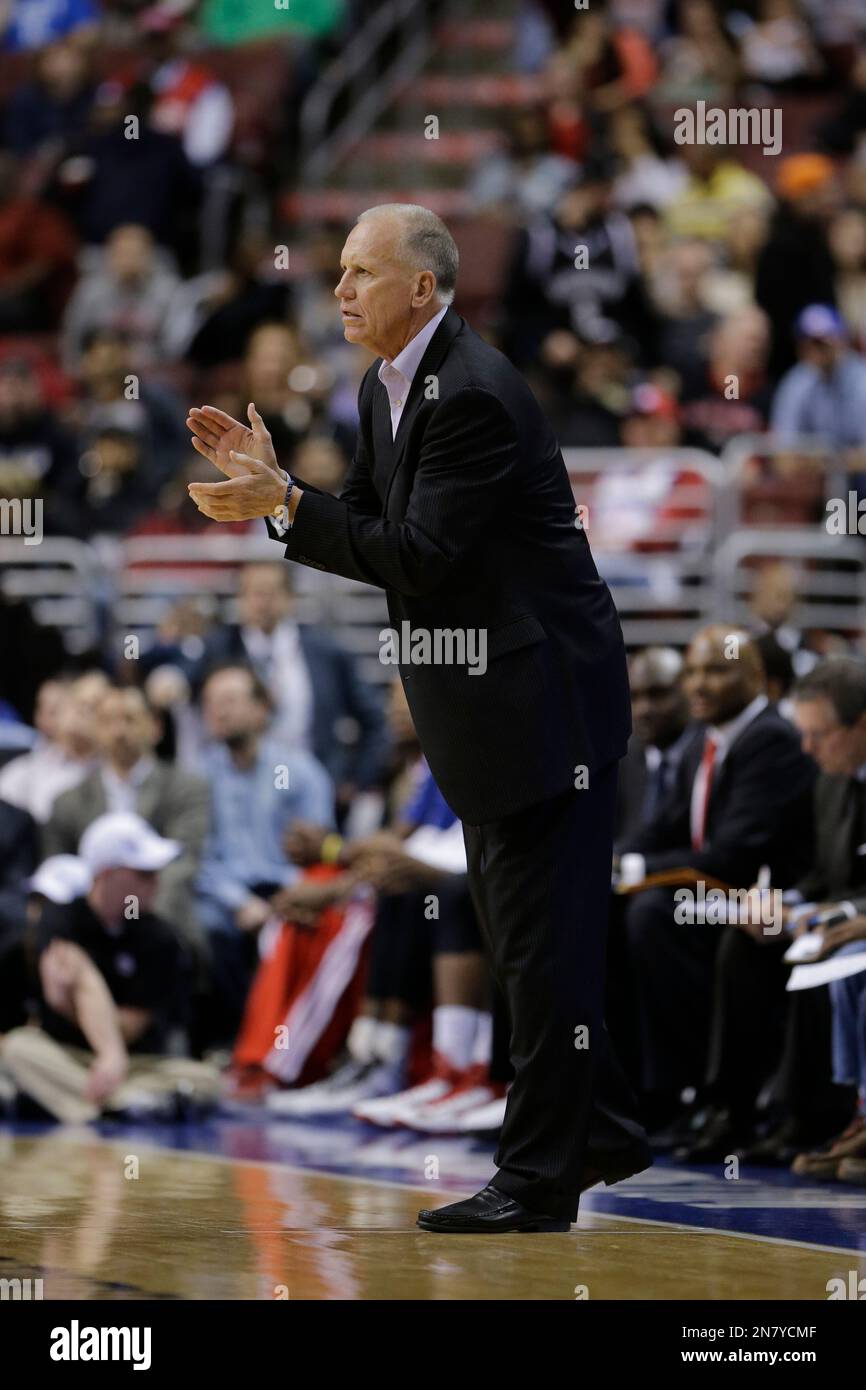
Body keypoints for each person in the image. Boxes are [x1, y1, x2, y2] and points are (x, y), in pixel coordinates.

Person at [186, 200, 648, 1233]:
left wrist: (289, 505)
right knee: (542, 938)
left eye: (359, 272)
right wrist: (279, 496)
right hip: (490, 706)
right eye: (339, 271)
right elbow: (368, 528)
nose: (339, 290)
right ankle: (606, 1125)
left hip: (546, 710)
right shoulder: (381, 386)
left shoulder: (473, 394)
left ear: (422, 289)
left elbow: (419, 556)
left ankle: (535, 1179)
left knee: (538, 950)